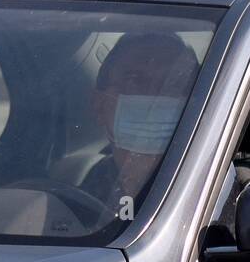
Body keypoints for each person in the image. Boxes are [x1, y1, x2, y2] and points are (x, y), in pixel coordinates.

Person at [82, 32, 200, 216]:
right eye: (135, 81)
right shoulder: (95, 184)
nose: (154, 97)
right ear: (99, 106)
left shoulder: (225, 189)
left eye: (175, 84)